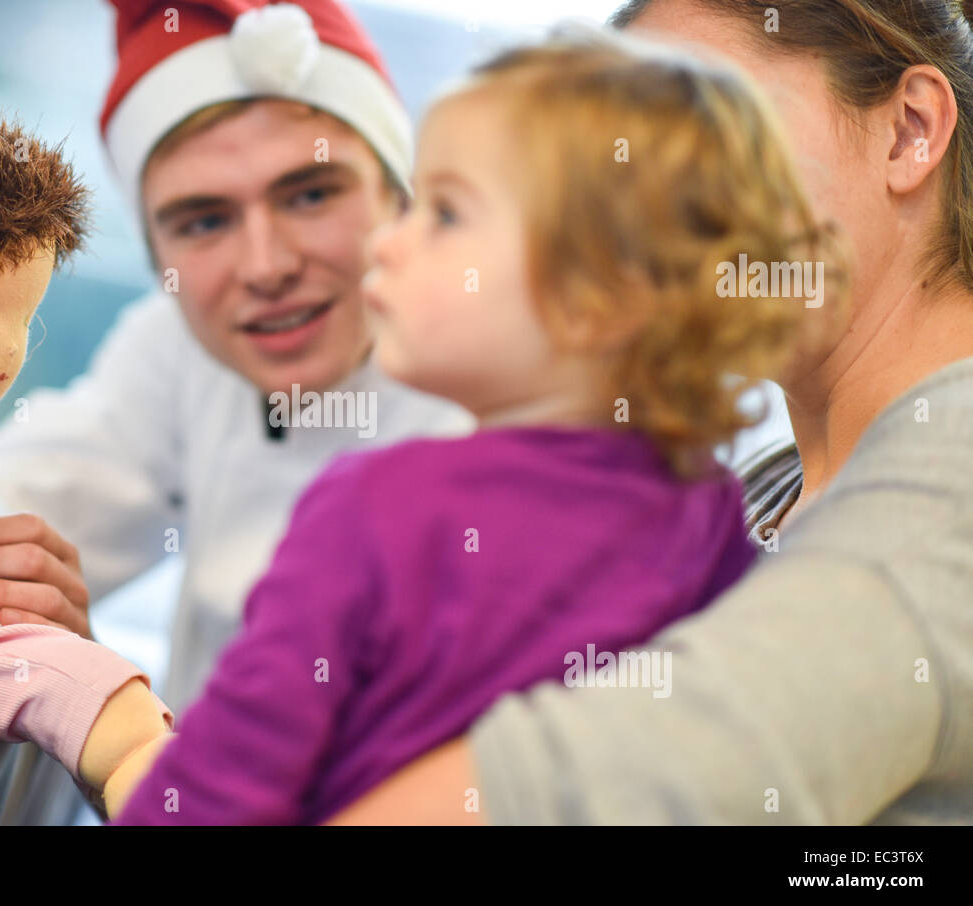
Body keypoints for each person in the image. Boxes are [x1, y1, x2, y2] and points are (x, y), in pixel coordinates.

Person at [110, 25, 835, 825]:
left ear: (600, 296)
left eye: (445, 214)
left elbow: (212, 793)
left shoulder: (368, 508)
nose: (388, 242)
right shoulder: (712, 516)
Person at [327, 0, 973, 825]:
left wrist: (122, 732)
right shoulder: (762, 489)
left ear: (909, 129)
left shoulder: (953, 472)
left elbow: (549, 798)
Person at [0, 0, 471, 717]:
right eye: (204, 219)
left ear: (400, 199)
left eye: (310, 194)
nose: (266, 265)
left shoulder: (511, 404)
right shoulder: (181, 349)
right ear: (157, 253)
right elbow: (10, 495)